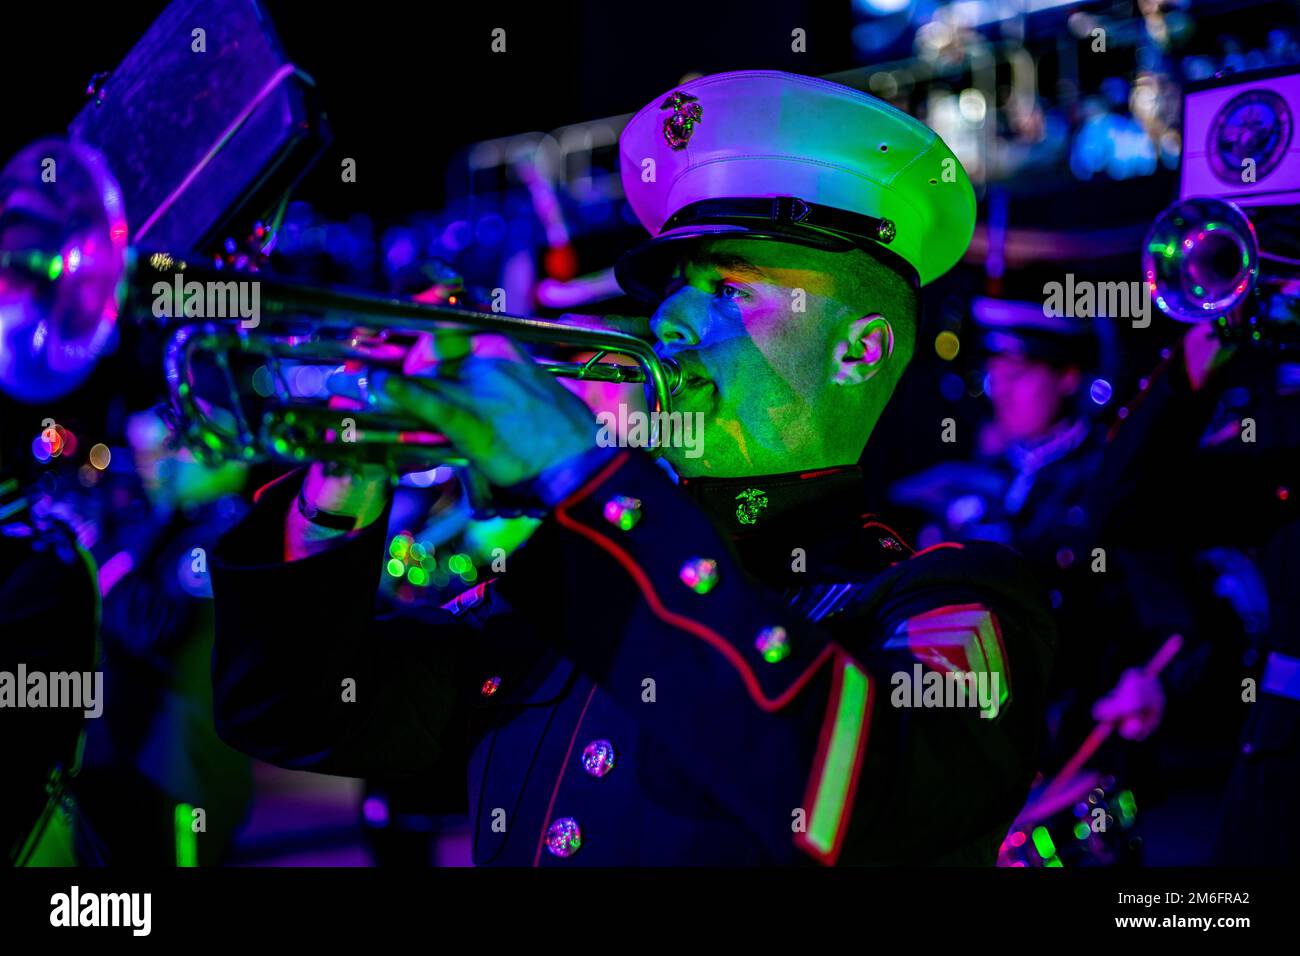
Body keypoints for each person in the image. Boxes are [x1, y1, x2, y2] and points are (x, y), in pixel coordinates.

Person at [211, 70, 1056, 865]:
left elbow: (858, 794)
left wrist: (578, 480)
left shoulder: (943, 598)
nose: (672, 324)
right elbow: (291, 711)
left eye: (730, 290)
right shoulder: (560, 575)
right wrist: (341, 482)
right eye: (675, 293)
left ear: (857, 349)